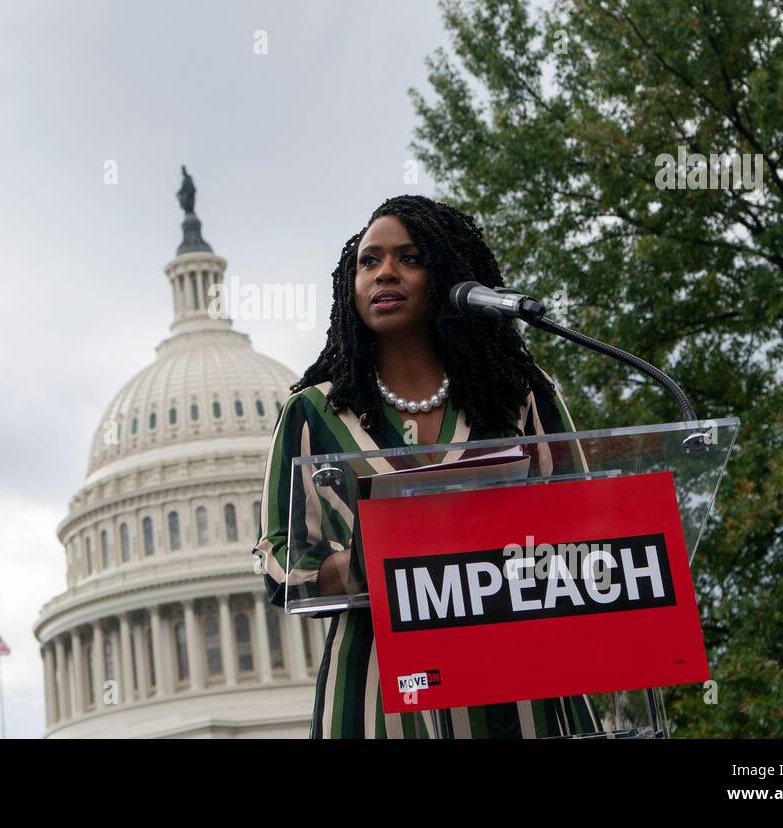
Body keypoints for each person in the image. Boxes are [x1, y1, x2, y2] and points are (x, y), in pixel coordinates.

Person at [252, 194, 602, 739]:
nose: (384, 273)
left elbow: (586, 523)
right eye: (369, 261)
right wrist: (360, 563)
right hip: (378, 699)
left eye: (409, 258)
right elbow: (279, 558)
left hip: (523, 692)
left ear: (449, 276)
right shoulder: (313, 412)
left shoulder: (519, 395)